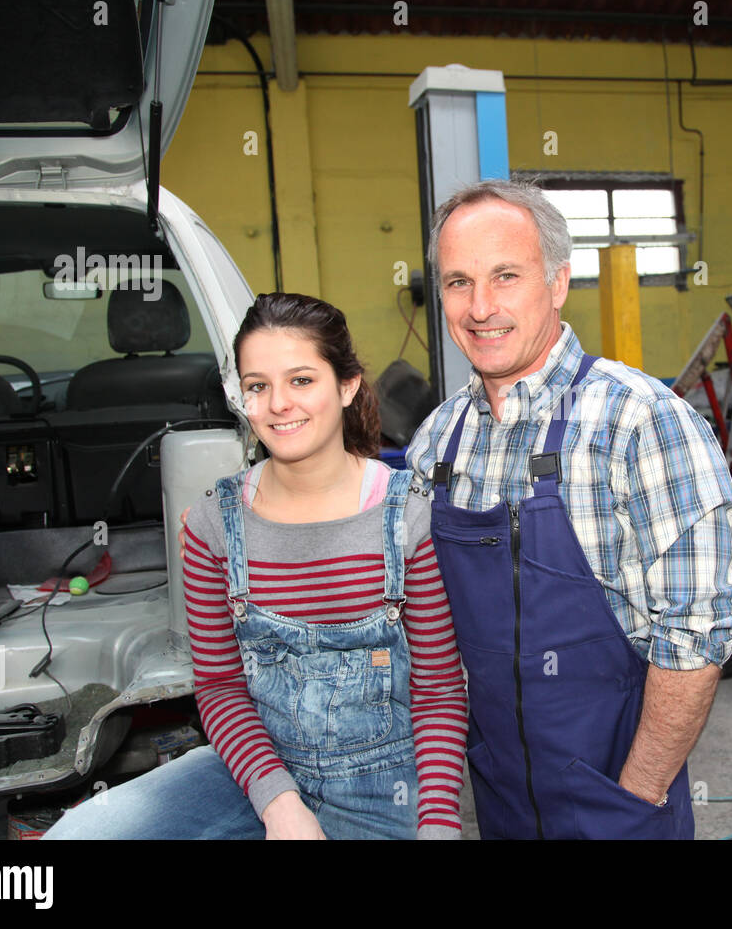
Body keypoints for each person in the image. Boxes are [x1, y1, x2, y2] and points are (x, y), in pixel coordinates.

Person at [46, 293, 467, 839]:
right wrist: (279, 803)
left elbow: (439, 694)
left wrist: (437, 825)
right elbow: (219, 687)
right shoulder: (213, 525)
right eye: (257, 386)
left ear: (346, 385)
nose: (277, 405)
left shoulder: (407, 519)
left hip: (387, 783)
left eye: (301, 381)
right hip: (254, 771)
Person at [405, 179, 732, 839]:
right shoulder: (437, 441)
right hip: (499, 799)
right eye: (457, 282)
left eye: (506, 276)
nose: (480, 307)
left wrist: (633, 800)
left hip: (621, 801)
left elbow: (697, 633)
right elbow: (424, 634)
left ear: (558, 282)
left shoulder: (641, 422)